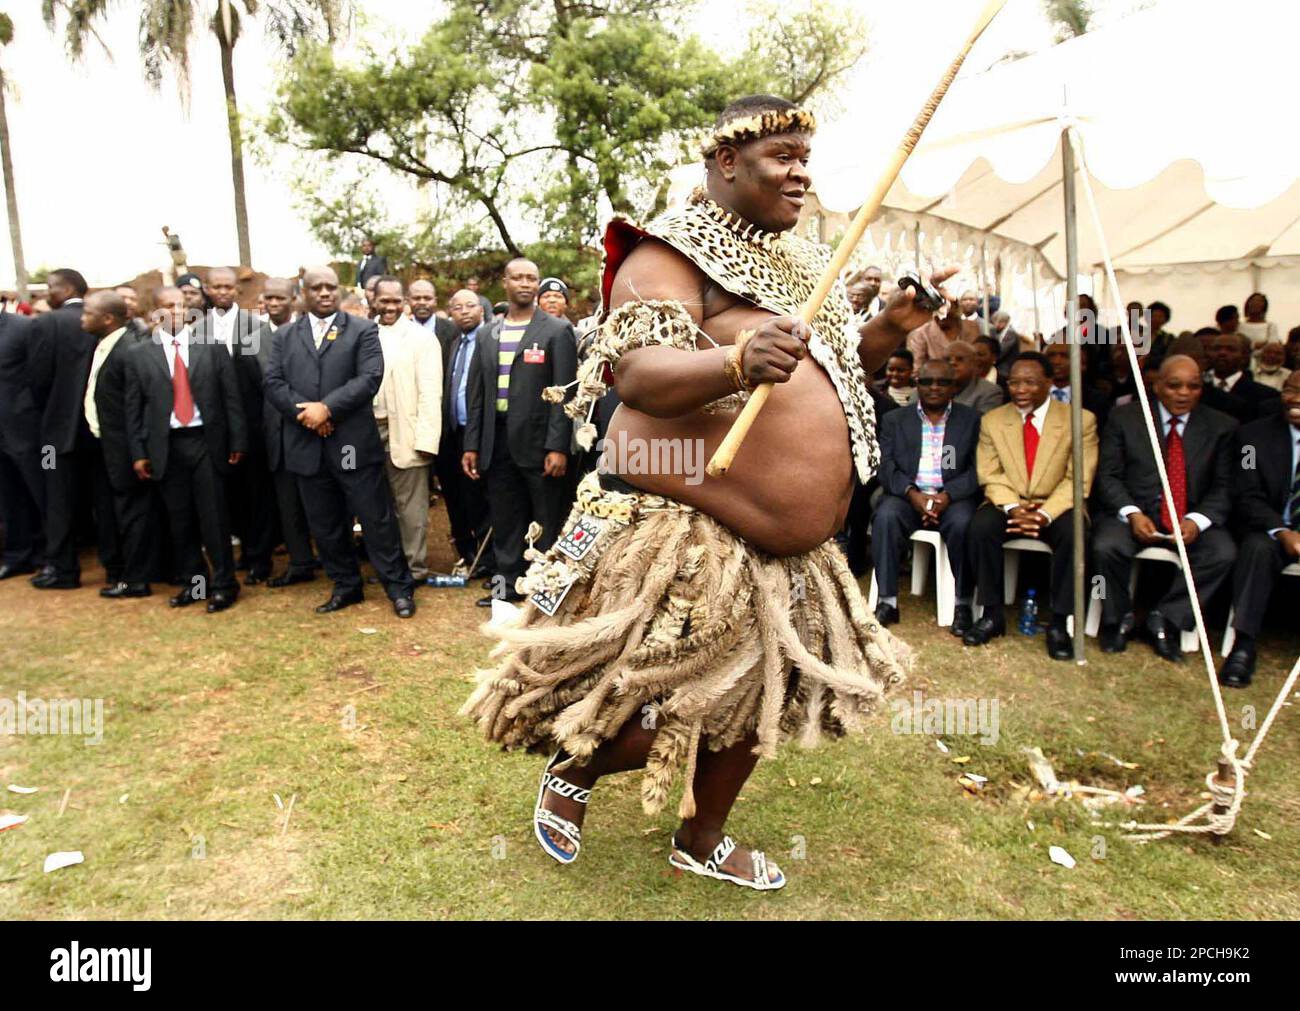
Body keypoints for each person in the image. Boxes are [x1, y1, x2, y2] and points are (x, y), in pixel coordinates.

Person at [461, 95, 928, 890]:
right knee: (671, 694)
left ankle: (702, 834)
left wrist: (894, 323)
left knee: (756, 705)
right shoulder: (666, 255)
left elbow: (832, 364)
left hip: (791, 542)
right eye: (782, 156)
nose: (800, 174)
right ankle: (576, 768)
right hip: (693, 524)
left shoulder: (801, 263)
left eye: (805, 159)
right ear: (726, 163)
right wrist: (736, 361)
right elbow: (639, 375)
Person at [263, 266, 416, 619]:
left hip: (351, 445)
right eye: (316, 288)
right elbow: (273, 382)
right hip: (305, 443)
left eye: (330, 287)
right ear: (303, 292)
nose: (324, 293)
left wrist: (327, 409)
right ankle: (346, 586)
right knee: (326, 523)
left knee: (376, 520)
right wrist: (308, 415)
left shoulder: (362, 329)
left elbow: (369, 377)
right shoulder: (285, 336)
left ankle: (398, 588)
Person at [1091, 355, 1237, 661]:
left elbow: (1225, 486)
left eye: (1193, 386)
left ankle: (1167, 618)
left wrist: (1197, 521)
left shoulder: (1222, 426)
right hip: (1134, 511)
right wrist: (1132, 513)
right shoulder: (1125, 418)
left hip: (1190, 514)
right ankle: (1118, 619)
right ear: (1156, 386)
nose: (1184, 393)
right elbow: (1108, 476)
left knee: (1222, 553)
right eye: (1174, 385)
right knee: (1106, 546)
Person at [963, 352, 1098, 661]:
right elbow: (990, 474)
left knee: (1075, 534)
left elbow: (1078, 480)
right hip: (1009, 501)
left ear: (1050, 383)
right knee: (981, 527)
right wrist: (1014, 508)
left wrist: (1044, 513)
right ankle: (991, 612)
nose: (1020, 389)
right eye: (1014, 382)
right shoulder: (993, 420)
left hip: (1058, 504)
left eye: (1030, 383)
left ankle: (1059, 622)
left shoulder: (1080, 420)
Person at [462, 257, 576, 606]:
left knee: (546, 520)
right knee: (505, 519)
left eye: (532, 279)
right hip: (495, 443)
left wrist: (558, 446)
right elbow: (477, 394)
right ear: (506, 283)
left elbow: (565, 392)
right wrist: (472, 444)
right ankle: (504, 590)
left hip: (540, 444)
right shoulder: (486, 334)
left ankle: (545, 590)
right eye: (518, 278)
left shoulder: (556, 331)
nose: (526, 284)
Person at [124, 286, 245, 612]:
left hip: (207, 441)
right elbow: (133, 410)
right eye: (168, 306)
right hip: (166, 447)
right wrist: (138, 452)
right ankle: (196, 584)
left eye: (180, 306)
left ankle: (224, 585)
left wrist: (238, 440)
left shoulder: (212, 348)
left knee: (214, 518)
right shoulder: (139, 355)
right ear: (154, 314)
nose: (176, 312)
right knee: (181, 520)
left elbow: (231, 398)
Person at [871, 359, 981, 630]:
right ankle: (887, 602)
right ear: (916, 384)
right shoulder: (894, 420)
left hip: (952, 499)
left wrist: (946, 497)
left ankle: (963, 604)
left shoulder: (972, 420)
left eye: (942, 382)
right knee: (885, 516)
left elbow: (979, 469)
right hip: (908, 496)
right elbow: (885, 466)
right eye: (926, 381)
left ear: (954, 387)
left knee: (965, 524)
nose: (934, 388)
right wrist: (912, 494)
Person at [196, 267, 278, 584]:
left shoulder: (255, 329)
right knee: (229, 495)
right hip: (216, 425)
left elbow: (265, 379)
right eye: (216, 287)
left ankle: (260, 558)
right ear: (207, 289)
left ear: (237, 291)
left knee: (257, 492)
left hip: (253, 423)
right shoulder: (197, 330)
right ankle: (242, 550)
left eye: (228, 287)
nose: (223, 292)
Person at [1221, 371, 1300, 686]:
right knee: (1257, 549)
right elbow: (1246, 494)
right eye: (1291, 390)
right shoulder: (1252, 438)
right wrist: (1282, 531)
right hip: (1268, 527)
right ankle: (1243, 645)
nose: (1295, 399)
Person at [27, 268, 97, 590]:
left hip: (55, 435)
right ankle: (116, 567)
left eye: (51, 287)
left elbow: (38, 379)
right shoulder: (106, 317)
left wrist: (48, 410)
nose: (47, 294)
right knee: (106, 500)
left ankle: (63, 570)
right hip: (98, 430)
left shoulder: (47, 322)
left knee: (57, 499)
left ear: (68, 288)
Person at [81, 291, 152, 599]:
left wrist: (137, 452)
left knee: (132, 513)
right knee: (121, 510)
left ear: (107, 318)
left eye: (87, 313)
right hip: (106, 444)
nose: (82, 318)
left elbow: (137, 406)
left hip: (125, 448)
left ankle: (136, 580)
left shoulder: (128, 350)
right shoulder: (104, 345)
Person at [372, 277, 443, 583]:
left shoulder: (421, 339)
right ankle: (388, 567)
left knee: (411, 509)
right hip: (367, 434)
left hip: (407, 431)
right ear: (372, 300)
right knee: (378, 506)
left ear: (404, 302)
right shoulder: (363, 333)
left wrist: (426, 440)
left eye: (394, 301)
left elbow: (431, 392)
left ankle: (413, 568)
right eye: (382, 301)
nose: (389, 307)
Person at [260, 278, 318, 587]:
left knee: (321, 499)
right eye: (268, 298)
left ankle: (334, 557)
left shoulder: (311, 332)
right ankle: (300, 562)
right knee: (287, 502)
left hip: (312, 429)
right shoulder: (252, 339)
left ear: (294, 299)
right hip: (274, 434)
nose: (274, 303)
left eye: (280, 297)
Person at [439, 289, 492, 574]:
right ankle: (467, 550)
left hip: (481, 433)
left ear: (481, 309)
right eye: (457, 307)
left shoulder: (490, 340)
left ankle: (487, 557)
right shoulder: (453, 342)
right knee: (457, 494)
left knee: (480, 497)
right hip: (453, 432)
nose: (465, 311)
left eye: (470, 305)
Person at [0, 306, 45, 579]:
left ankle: (52, 553)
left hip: (26, 427)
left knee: (39, 490)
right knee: (7, 496)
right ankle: (18, 556)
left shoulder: (23, 328)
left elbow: (40, 376)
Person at [1203, 331, 1280, 422]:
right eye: (1216, 349)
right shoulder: (1198, 390)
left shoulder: (1266, 395)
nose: (1222, 353)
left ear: (1244, 357)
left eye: (1230, 349)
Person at [1043, 339, 1110, 426]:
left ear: (1082, 364)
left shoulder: (1097, 400)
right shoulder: (1032, 395)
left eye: (1065, 356)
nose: (1056, 361)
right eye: (1051, 355)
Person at [907, 297, 976, 370]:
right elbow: (917, 367)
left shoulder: (971, 327)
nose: (941, 312)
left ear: (956, 308)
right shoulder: (921, 333)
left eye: (945, 306)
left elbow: (976, 359)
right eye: (937, 306)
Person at [948, 339, 1004, 415]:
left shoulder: (990, 392)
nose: (952, 363)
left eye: (960, 359)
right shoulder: (935, 388)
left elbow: (980, 425)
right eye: (947, 359)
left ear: (973, 364)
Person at [989, 311, 1020, 379]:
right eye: (995, 322)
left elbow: (1002, 351)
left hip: (1006, 367)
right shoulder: (994, 331)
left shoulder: (1010, 334)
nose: (996, 324)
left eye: (1000, 322)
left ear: (1006, 322)